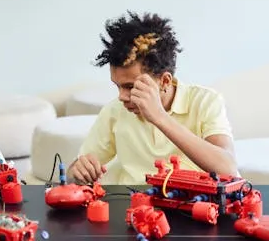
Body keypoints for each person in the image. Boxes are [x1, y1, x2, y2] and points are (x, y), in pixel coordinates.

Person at [68, 11, 237, 185]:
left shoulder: (205, 102)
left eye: (131, 86)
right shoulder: (114, 111)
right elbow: (75, 172)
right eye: (117, 86)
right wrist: (77, 171)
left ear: (164, 81)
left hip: (191, 207)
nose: (122, 96)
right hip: (132, 206)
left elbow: (228, 169)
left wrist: (159, 117)